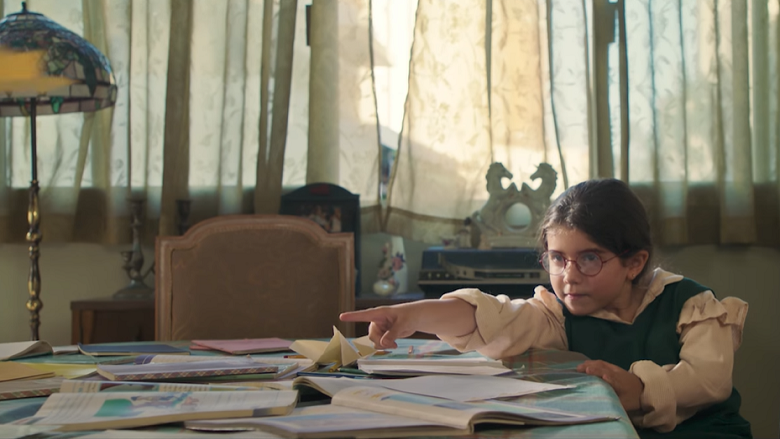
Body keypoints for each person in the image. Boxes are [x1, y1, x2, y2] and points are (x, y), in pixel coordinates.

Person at [340, 178, 751, 439]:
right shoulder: (561, 312)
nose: (568, 276)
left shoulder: (692, 304)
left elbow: (709, 379)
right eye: (557, 258)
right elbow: (500, 320)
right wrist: (413, 315)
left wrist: (642, 389)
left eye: (589, 259)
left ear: (634, 262)